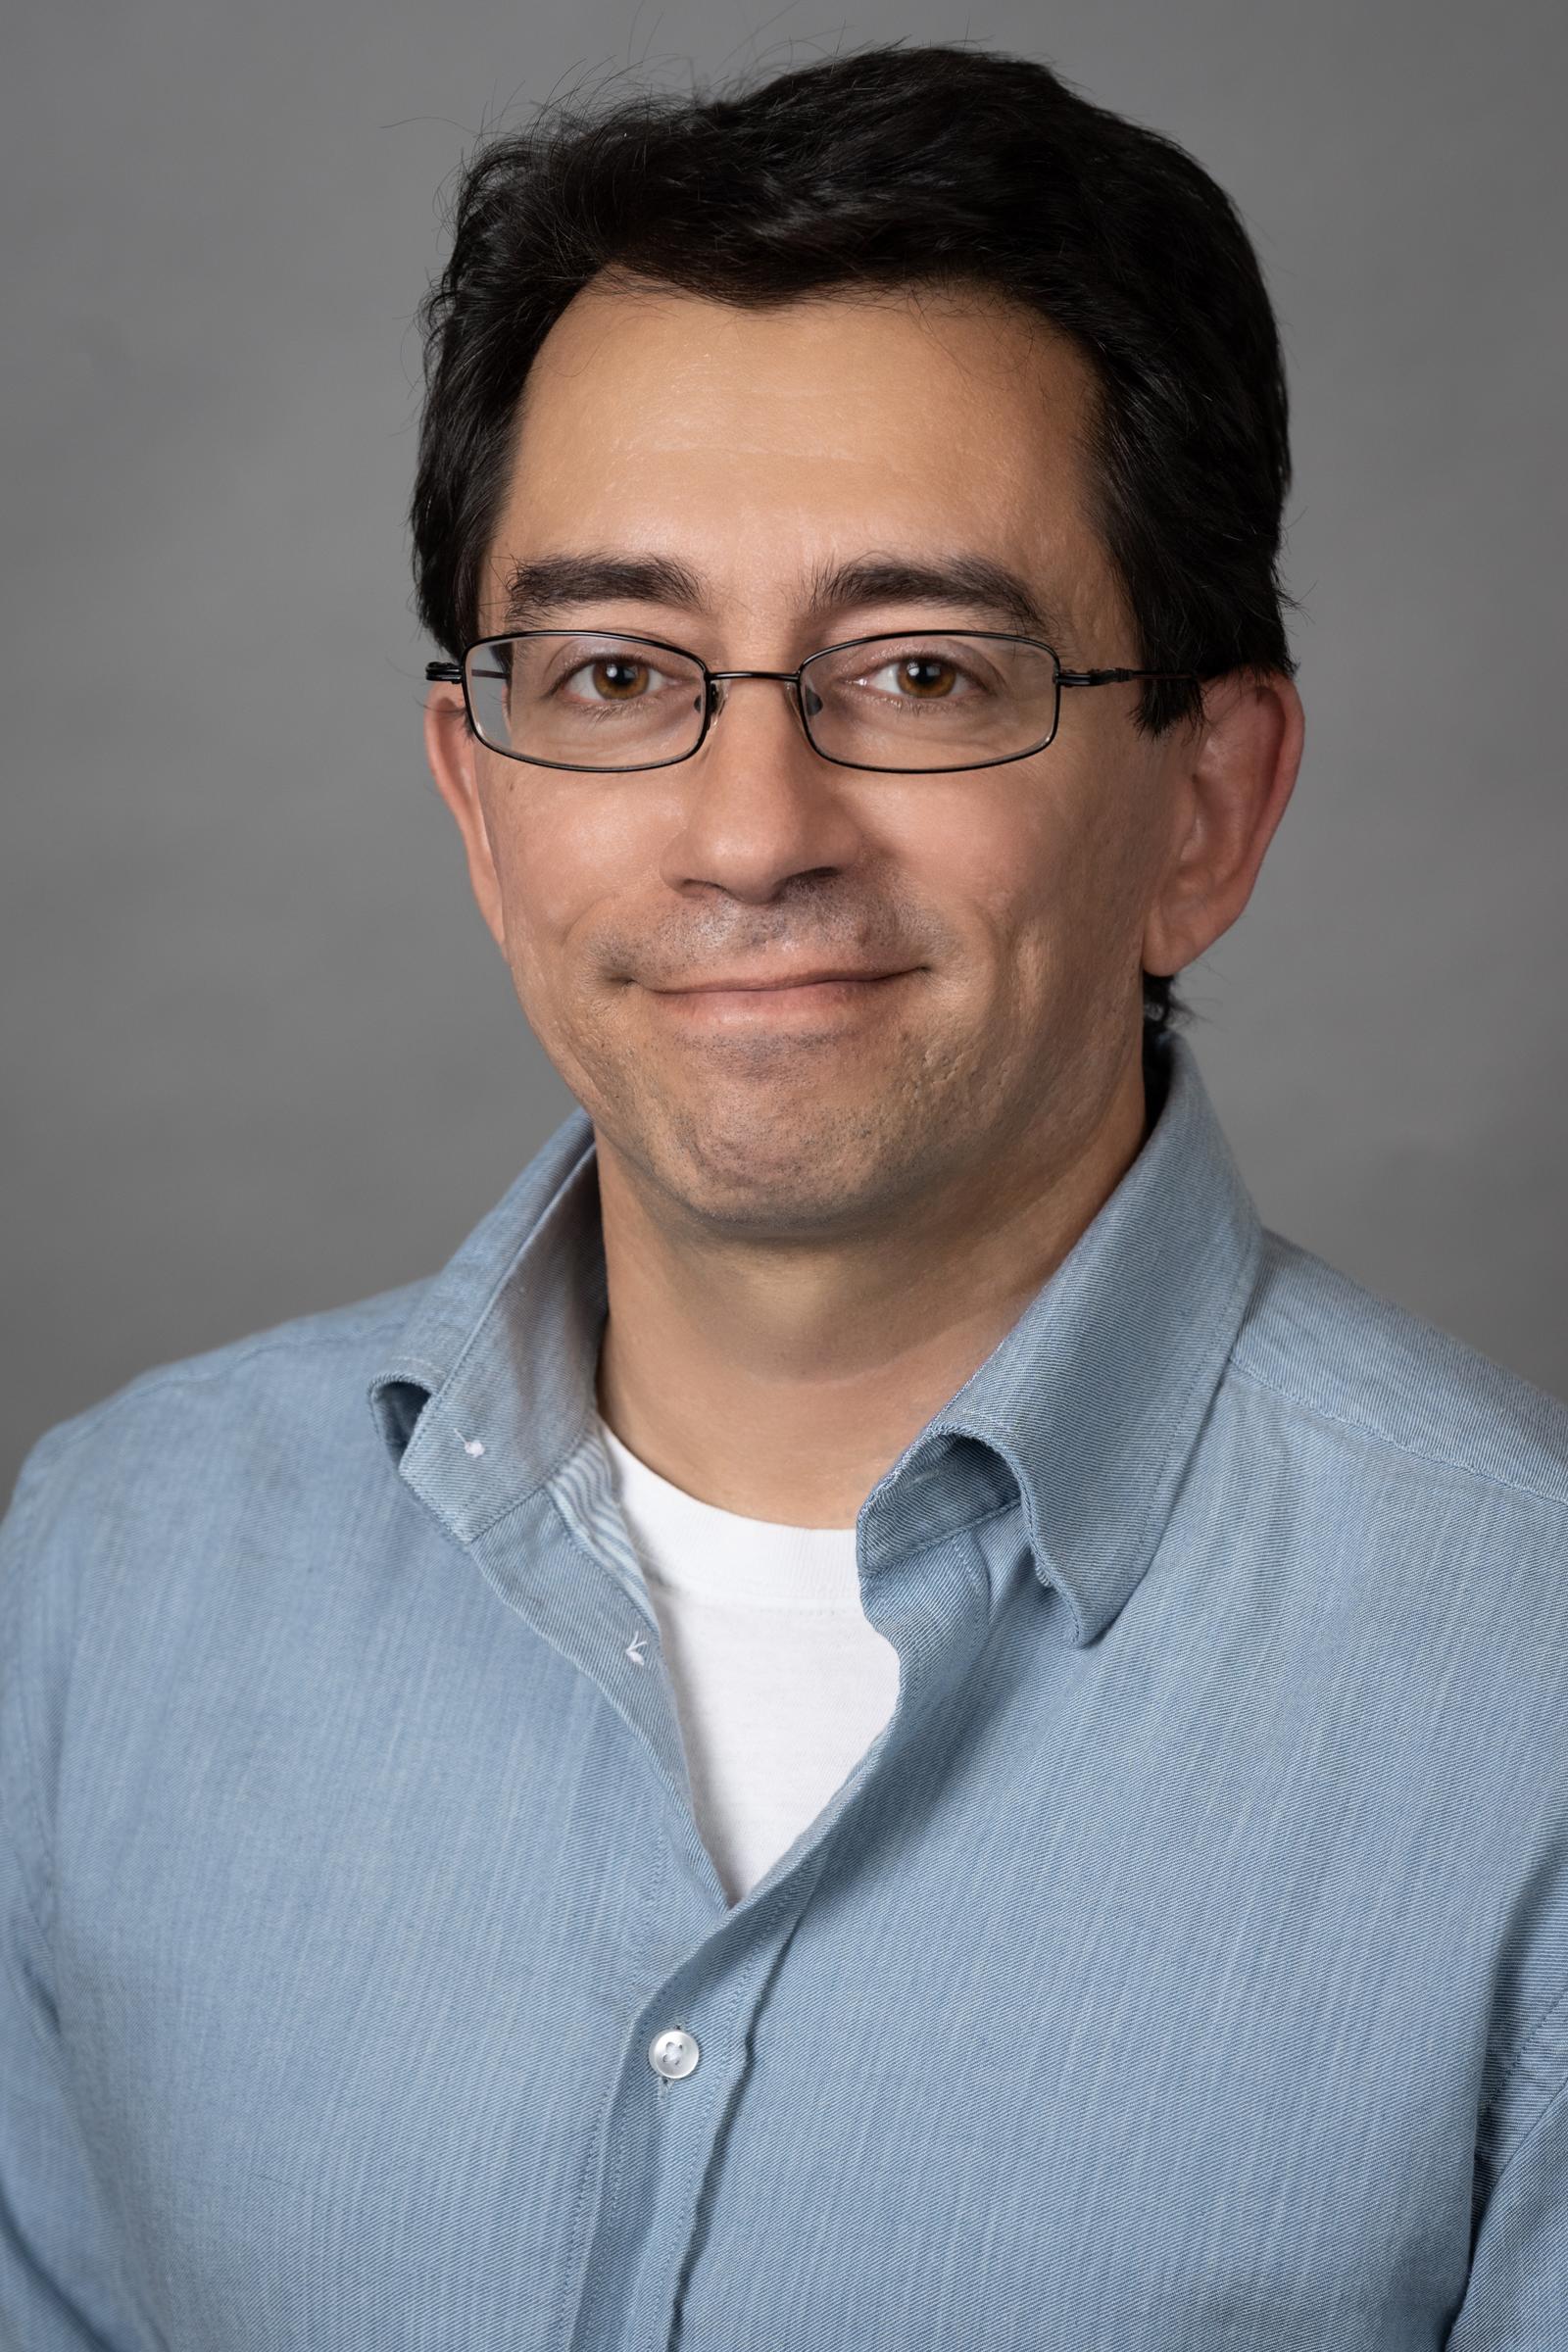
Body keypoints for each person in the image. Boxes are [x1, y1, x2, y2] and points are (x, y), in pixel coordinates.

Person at [3, 39, 1565, 2350]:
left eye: (921, 673)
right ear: (476, 786)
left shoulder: (1523, 1694)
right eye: (618, 671)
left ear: (1203, 810)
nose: (750, 833)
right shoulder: (106, 1584)